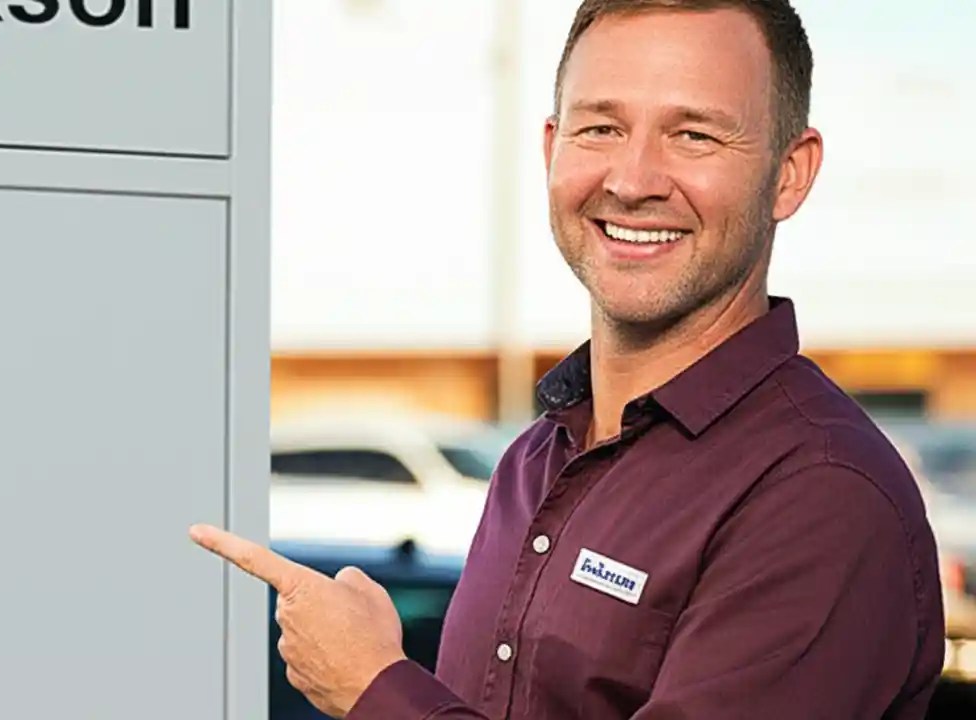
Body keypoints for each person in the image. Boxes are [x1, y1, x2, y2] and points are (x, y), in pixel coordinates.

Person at [190, 0, 946, 717]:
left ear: (790, 173)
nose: (633, 181)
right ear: (553, 148)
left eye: (694, 136)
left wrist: (374, 687)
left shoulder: (820, 497)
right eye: (600, 130)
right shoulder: (535, 460)